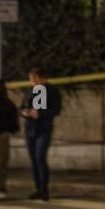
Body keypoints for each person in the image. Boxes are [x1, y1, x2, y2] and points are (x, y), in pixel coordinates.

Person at [20, 68, 61, 201]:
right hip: (30, 128)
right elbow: (21, 107)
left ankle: (44, 189)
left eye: (33, 78)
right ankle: (38, 188)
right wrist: (24, 112)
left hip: (43, 129)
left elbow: (55, 110)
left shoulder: (51, 91)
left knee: (40, 158)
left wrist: (40, 113)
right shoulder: (30, 90)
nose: (31, 81)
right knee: (34, 160)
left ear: (40, 78)